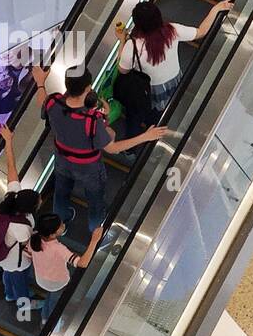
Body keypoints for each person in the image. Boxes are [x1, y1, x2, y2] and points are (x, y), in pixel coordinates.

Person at [31, 64, 170, 238]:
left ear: (67, 85)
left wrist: (40, 83)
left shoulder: (54, 102)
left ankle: (60, 222)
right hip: (89, 167)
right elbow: (112, 148)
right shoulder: (92, 119)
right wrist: (145, 136)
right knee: (95, 201)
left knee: (61, 192)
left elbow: (41, 101)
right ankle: (95, 231)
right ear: (88, 88)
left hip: (62, 159)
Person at [117, 0, 232, 138]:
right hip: (175, 79)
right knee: (167, 107)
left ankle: (146, 136)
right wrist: (216, 8)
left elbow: (122, 70)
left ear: (137, 24)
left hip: (151, 89)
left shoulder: (133, 46)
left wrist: (122, 40)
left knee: (142, 113)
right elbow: (201, 32)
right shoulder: (172, 30)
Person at [0, 124, 41, 305]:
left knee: (8, 274)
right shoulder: (22, 228)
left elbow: (11, 169)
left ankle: (8, 293)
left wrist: (8, 141)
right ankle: (23, 303)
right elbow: (30, 249)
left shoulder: (12, 197)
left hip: (2, 254)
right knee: (19, 278)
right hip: (16, 261)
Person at [25, 215, 103, 324]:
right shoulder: (58, 249)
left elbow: (28, 253)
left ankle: (44, 312)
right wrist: (94, 240)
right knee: (55, 301)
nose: (64, 225)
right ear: (52, 234)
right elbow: (82, 263)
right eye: (61, 226)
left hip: (41, 278)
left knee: (51, 295)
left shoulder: (34, 238)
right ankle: (47, 322)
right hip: (57, 282)